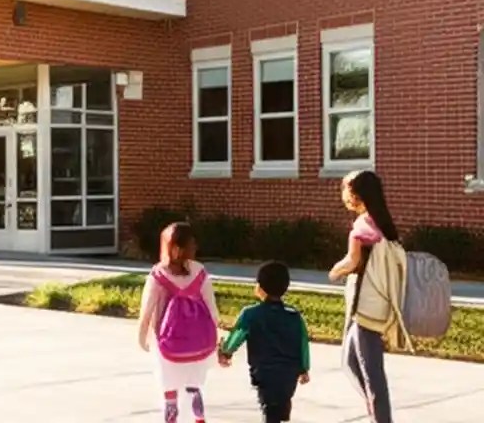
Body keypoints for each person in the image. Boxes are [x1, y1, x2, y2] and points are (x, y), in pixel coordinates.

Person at [328, 170, 401, 423]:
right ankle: (376, 412)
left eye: (346, 190)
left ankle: (381, 417)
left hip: (366, 306)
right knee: (351, 360)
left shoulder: (363, 226)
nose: (343, 195)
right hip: (376, 301)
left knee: (372, 374)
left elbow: (352, 260)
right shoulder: (383, 223)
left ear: (357, 195)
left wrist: (334, 271)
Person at [138, 221, 219, 423]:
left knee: (169, 388)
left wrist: (142, 336)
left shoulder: (158, 275)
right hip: (198, 342)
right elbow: (211, 308)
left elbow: (147, 309)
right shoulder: (199, 272)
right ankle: (199, 418)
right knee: (194, 386)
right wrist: (214, 335)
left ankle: (171, 417)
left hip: (167, 342)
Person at [218, 261, 311, 423]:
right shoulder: (294, 316)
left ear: (260, 287)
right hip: (289, 373)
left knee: (269, 407)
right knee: (281, 403)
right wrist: (304, 368)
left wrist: (226, 351)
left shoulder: (250, 314)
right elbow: (303, 342)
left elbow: (238, 335)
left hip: (264, 372)